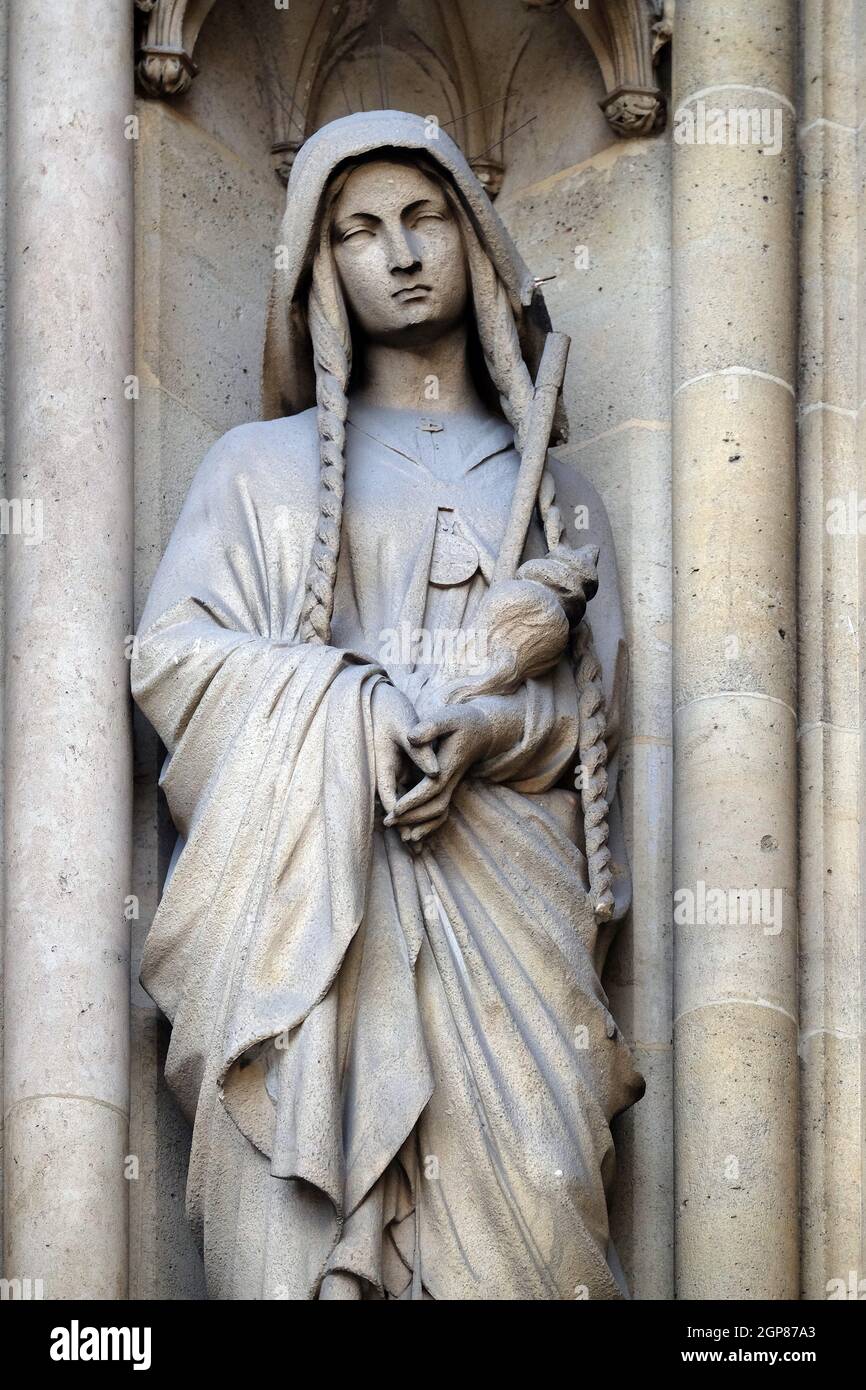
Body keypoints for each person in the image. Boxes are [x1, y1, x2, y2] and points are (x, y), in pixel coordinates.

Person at [132, 110, 643, 1300]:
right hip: (310, 929)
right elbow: (173, 662)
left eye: (423, 220)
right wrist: (353, 713)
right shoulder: (255, 471)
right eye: (359, 231)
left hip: (508, 921)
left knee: (531, 1242)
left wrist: (485, 734)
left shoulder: (555, 500)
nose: (400, 254)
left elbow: (595, 736)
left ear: (471, 236)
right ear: (321, 266)